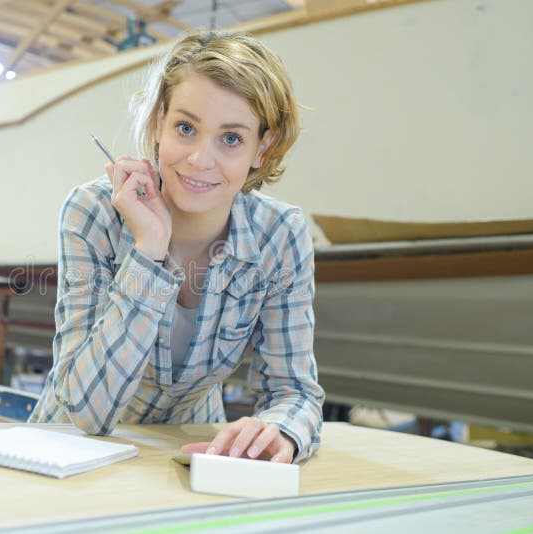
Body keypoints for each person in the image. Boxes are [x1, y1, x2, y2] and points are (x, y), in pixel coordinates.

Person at [30, 30, 324, 464]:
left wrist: (281, 430)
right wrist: (149, 248)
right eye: (186, 128)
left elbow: (294, 392)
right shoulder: (93, 212)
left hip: (186, 453)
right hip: (71, 455)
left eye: (230, 139)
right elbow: (87, 414)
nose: (200, 159)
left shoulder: (281, 235)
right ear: (157, 124)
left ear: (263, 146)